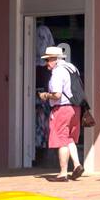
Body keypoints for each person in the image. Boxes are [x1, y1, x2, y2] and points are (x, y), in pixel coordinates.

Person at [39, 46, 85, 182]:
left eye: (47, 60)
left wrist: (45, 95)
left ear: (54, 59)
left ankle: (63, 172)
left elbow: (57, 94)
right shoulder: (72, 67)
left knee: (61, 140)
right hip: (75, 108)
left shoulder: (58, 72)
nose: (46, 63)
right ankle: (77, 165)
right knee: (69, 138)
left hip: (62, 108)